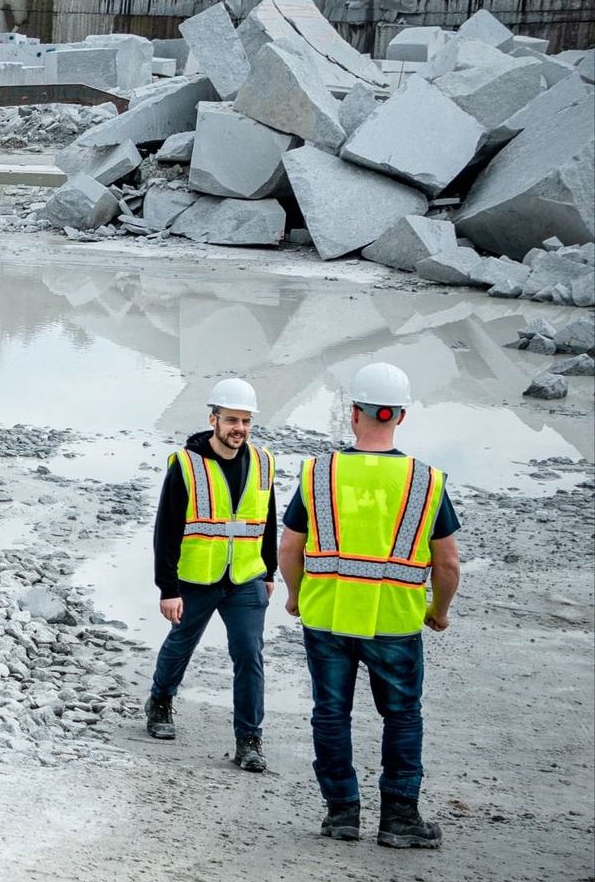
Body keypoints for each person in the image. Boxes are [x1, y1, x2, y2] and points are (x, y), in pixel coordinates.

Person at [278, 362, 460, 849]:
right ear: (401, 416)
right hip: (396, 623)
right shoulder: (425, 481)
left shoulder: (319, 474)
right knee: (402, 716)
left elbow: (289, 548)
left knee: (330, 714)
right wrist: (438, 612)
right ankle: (399, 818)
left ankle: (342, 814)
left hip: (327, 616)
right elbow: (447, 566)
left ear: (353, 413)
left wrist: (296, 596)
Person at [144, 377, 277, 773]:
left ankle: (249, 740)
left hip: (247, 579)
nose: (240, 429)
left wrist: (268, 570)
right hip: (197, 578)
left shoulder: (264, 462)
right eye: (232, 420)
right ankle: (161, 702)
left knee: (249, 655)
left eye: (246, 421)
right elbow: (165, 530)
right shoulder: (186, 465)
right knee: (181, 643)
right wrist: (168, 588)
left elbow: (267, 519)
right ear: (213, 419)